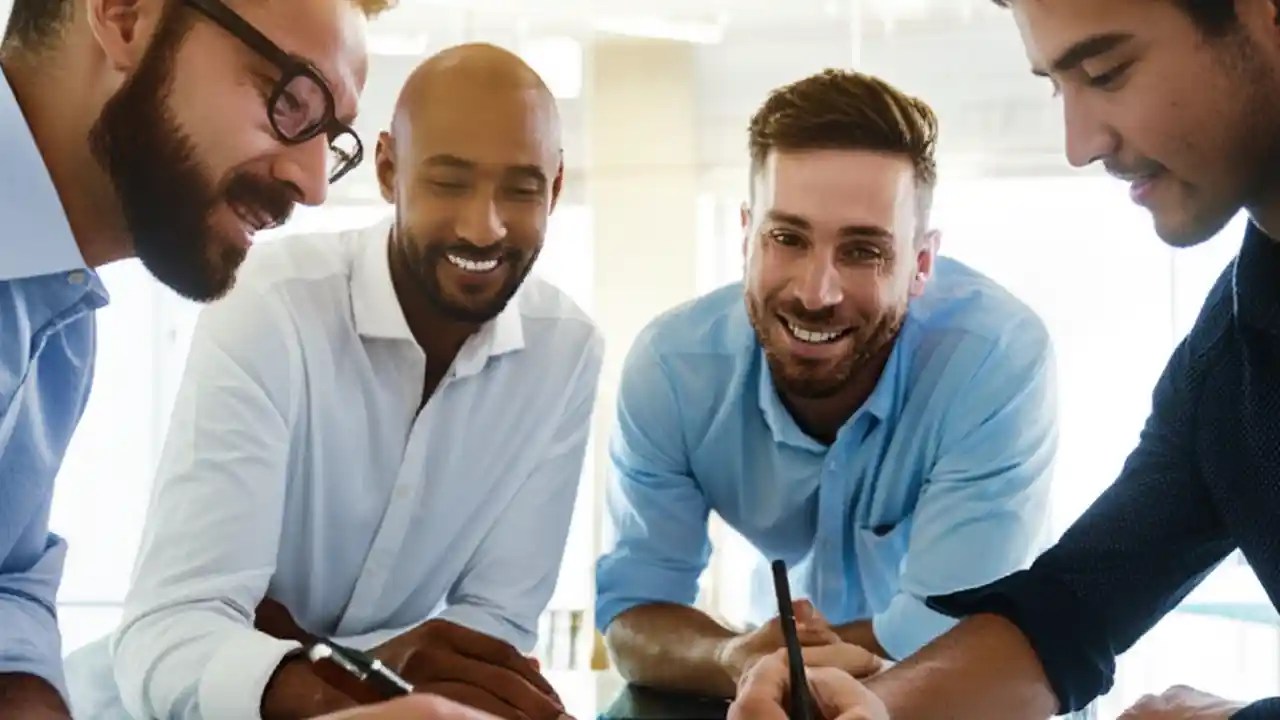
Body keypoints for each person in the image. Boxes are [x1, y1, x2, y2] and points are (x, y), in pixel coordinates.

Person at [731, 1, 1280, 719]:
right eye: (1059, 87)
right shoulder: (1230, 353)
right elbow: (1073, 608)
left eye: (1106, 72)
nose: (1079, 144)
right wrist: (873, 710)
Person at [62, 43, 601, 720]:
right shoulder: (272, 302)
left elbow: (492, 628)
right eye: (449, 181)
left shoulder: (566, 350)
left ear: (553, 190)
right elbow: (172, 629)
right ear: (387, 170)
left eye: (520, 189)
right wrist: (350, 676)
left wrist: (299, 648)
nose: (483, 225)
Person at [594, 67, 1058, 699]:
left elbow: (949, 638)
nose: (817, 293)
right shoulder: (672, 371)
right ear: (746, 235)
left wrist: (773, 662)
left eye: (863, 251)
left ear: (920, 264)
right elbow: (633, 615)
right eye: (788, 238)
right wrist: (732, 654)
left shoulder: (994, 361)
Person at [0, 0, 389, 716]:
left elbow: (8, 587)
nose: (314, 184)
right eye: (290, 100)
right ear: (122, 18)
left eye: (330, 138)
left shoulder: (59, 326)